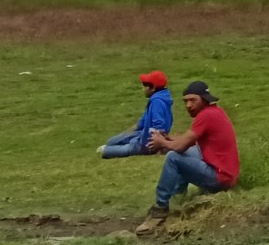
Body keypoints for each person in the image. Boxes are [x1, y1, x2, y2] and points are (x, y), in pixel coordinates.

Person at [138, 81, 238, 231]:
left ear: (204, 99)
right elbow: (186, 141)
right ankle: (179, 196)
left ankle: (160, 208)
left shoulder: (205, 116)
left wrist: (162, 142)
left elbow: (180, 146)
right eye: (185, 101)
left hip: (219, 178)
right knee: (183, 151)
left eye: (193, 100)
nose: (188, 105)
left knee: (173, 157)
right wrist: (168, 140)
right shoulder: (215, 112)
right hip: (226, 172)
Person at [99, 71, 173, 159]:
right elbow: (142, 122)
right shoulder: (156, 99)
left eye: (145, 86)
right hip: (141, 136)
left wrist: (155, 146)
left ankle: (109, 150)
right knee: (111, 142)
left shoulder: (157, 102)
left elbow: (159, 126)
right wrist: (125, 135)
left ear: (153, 88)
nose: (143, 88)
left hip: (146, 144)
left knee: (105, 151)